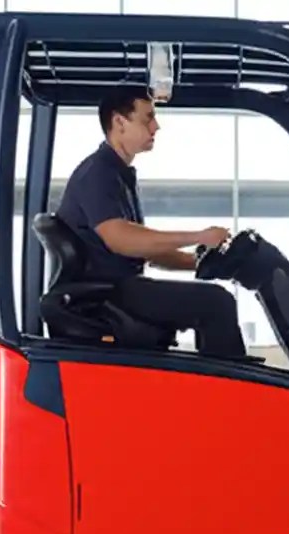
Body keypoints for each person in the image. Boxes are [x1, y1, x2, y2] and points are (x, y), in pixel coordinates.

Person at [54, 85, 248, 360]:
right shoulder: (97, 174)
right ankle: (230, 397)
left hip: (119, 287)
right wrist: (198, 236)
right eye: (148, 118)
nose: (156, 127)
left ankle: (218, 390)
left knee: (215, 299)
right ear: (120, 122)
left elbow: (144, 249)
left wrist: (200, 262)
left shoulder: (117, 174)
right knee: (216, 303)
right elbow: (121, 240)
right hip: (108, 293)